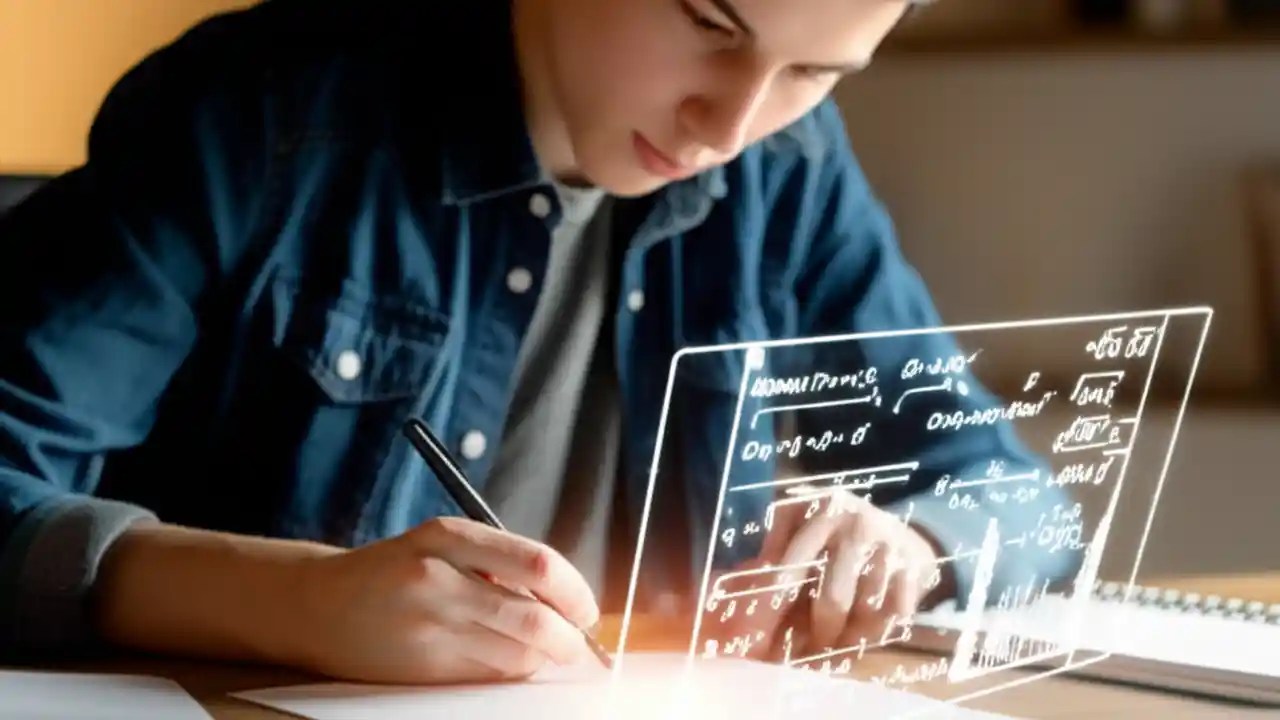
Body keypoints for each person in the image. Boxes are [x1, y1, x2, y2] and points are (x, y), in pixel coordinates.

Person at [0, 0, 1081, 685]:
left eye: (814, 72)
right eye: (709, 21)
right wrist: (293, 602)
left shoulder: (786, 163)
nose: (728, 125)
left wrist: (913, 545)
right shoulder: (258, 117)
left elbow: (1019, 496)